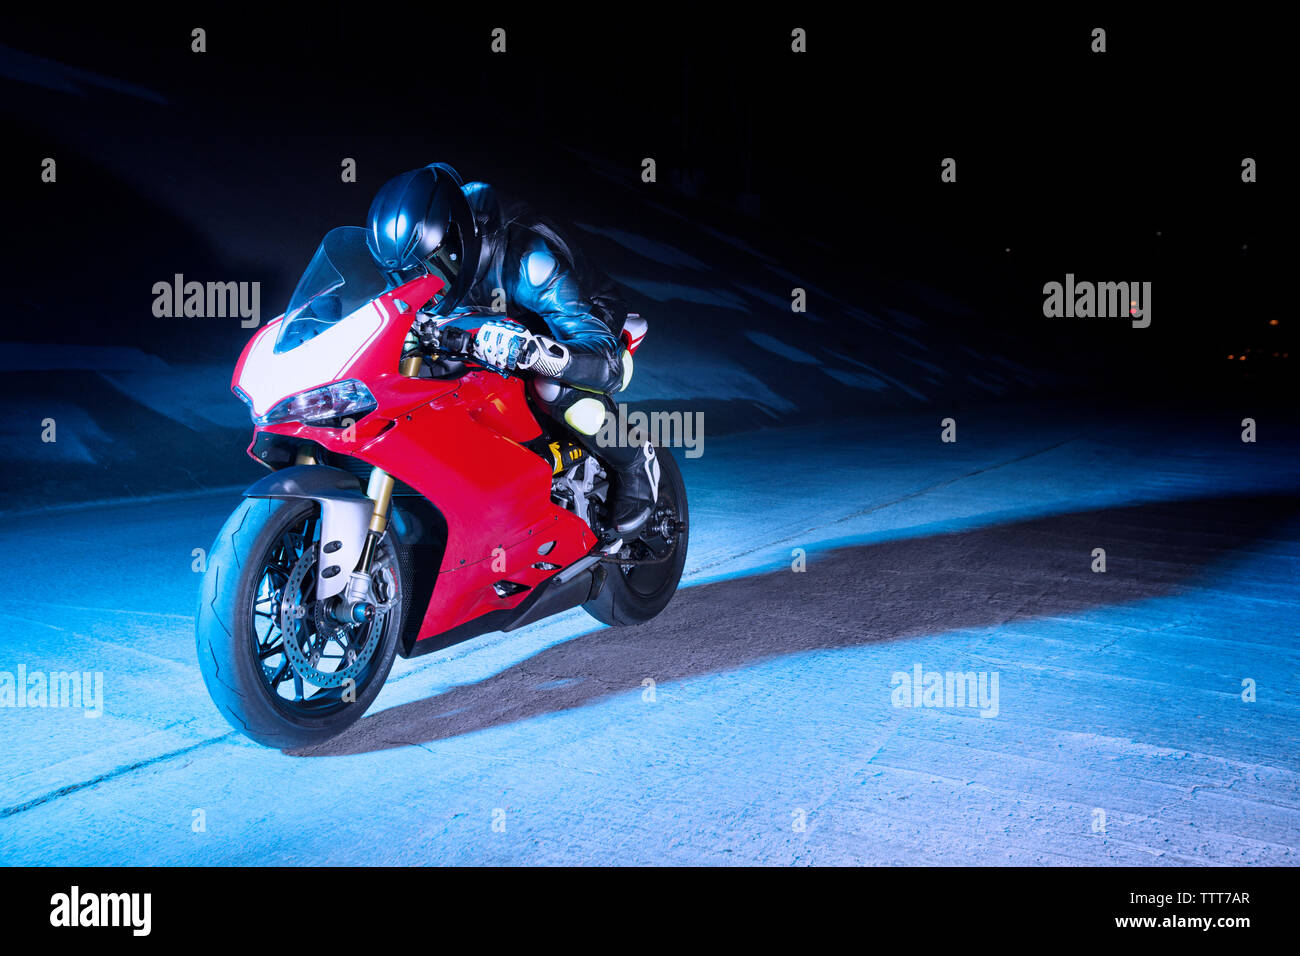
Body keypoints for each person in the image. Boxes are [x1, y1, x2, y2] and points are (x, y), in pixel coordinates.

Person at [364, 162, 658, 537]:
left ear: (457, 245)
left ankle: (633, 460)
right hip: (491, 321)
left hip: (582, 323)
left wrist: (540, 355)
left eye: (431, 268)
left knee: (550, 386)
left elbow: (606, 362)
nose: (424, 282)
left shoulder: (530, 261)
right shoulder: (445, 254)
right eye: (407, 274)